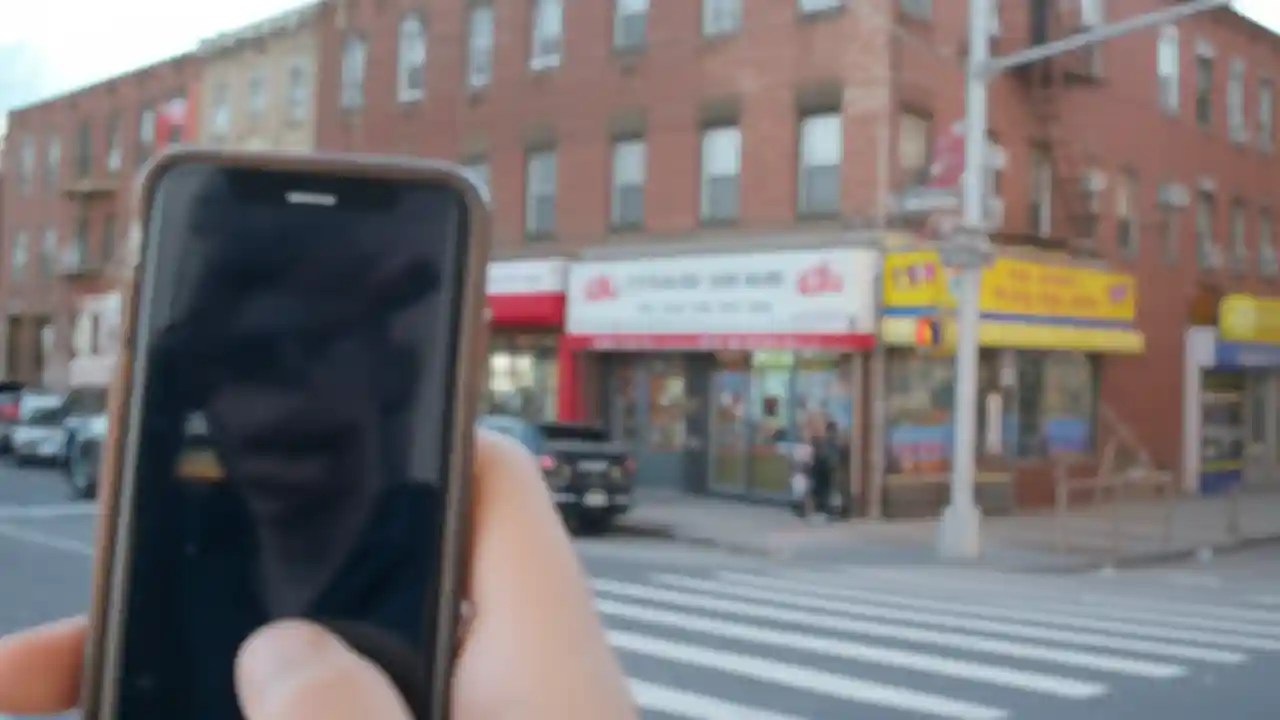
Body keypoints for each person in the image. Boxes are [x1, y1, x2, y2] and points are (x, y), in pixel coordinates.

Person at [0, 430, 638, 720]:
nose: (281, 401)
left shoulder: (421, 549)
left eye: (316, 349)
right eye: (250, 357)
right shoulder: (185, 563)